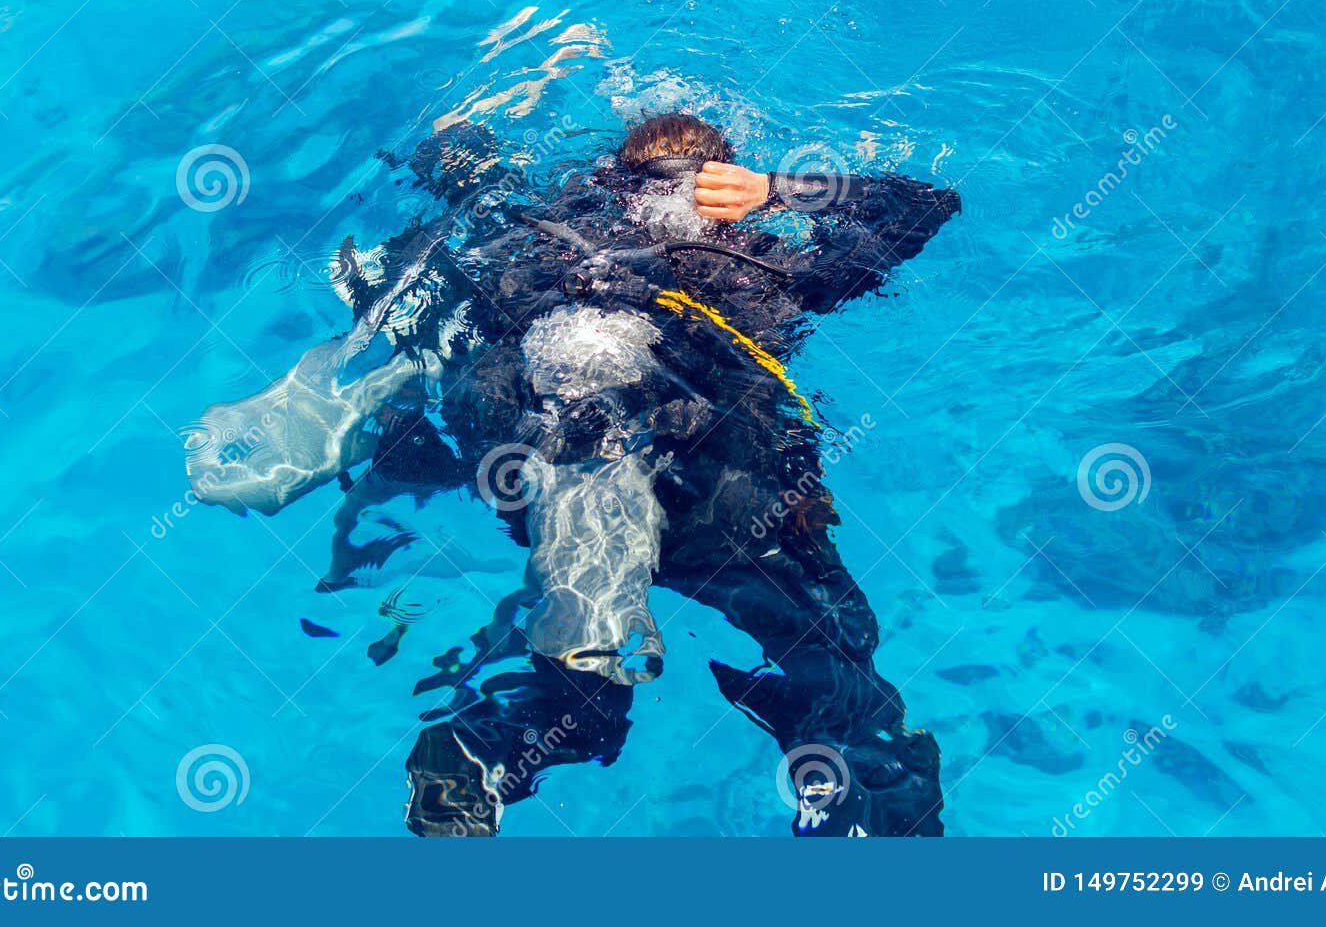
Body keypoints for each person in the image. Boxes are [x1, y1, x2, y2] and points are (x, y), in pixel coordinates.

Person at [390, 113, 961, 837]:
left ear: (610, 180)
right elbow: (925, 205)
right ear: (723, 186)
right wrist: (779, 192)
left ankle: (494, 743)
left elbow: (449, 168)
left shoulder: (545, 236)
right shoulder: (756, 263)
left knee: (582, 696)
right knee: (840, 662)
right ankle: (869, 815)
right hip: (726, 492)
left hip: (559, 473)